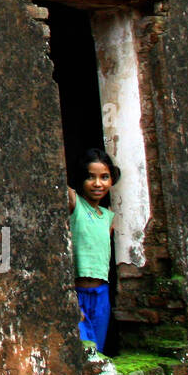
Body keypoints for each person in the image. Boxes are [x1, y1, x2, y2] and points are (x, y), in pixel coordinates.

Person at [68, 148, 118, 352]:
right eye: (90, 177)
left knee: (98, 351)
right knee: (82, 351)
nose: (98, 183)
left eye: (104, 177)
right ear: (81, 179)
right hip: (77, 293)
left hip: (101, 295)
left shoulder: (108, 217)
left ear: (112, 180)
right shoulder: (75, 204)